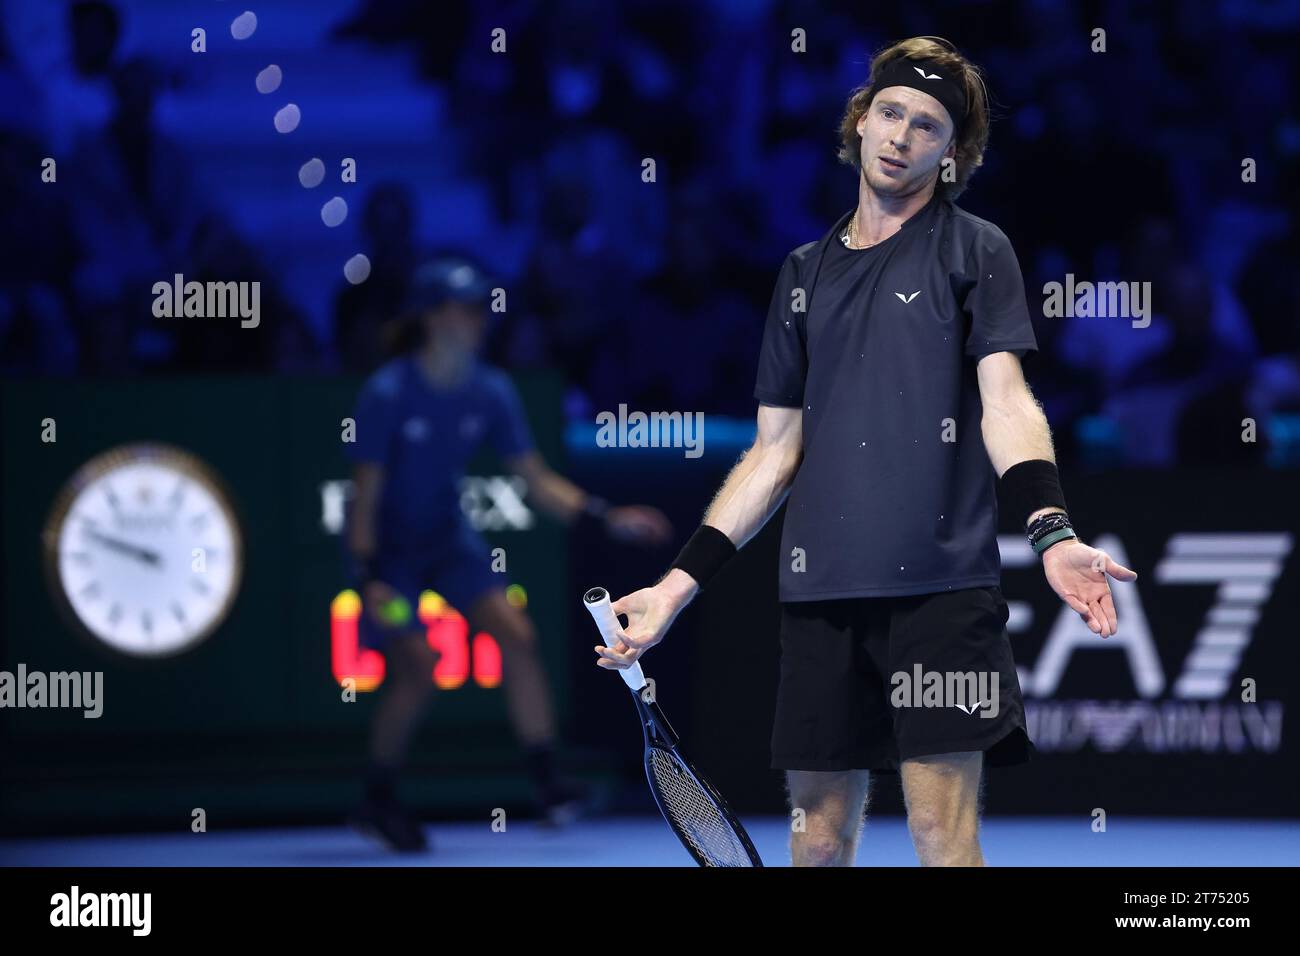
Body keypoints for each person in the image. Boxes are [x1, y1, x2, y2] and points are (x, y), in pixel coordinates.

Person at [595, 37, 1137, 867]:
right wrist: (674, 588)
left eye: (927, 126)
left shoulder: (976, 250)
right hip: (821, 594)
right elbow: (773, 455)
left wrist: (1051, 532)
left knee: (939, 835)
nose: (900, 136)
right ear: (859, 120)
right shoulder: (801, 273)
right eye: (889, 113)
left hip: (944, 592)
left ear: (950, 154)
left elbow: (1006, 403)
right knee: (815, 842)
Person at [346, 256, 672, 851]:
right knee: (418, 665)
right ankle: (377, 797)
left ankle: (548, 784)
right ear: (432, 316)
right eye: (465, 307)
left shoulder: (490, 389)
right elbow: (364, 493)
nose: (478, 318)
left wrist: (607, 516)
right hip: (387, 561)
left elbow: (535, 479)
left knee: (516, 636)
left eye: (479, 306)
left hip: (448, 544)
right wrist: (369, 576)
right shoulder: (386, 392)